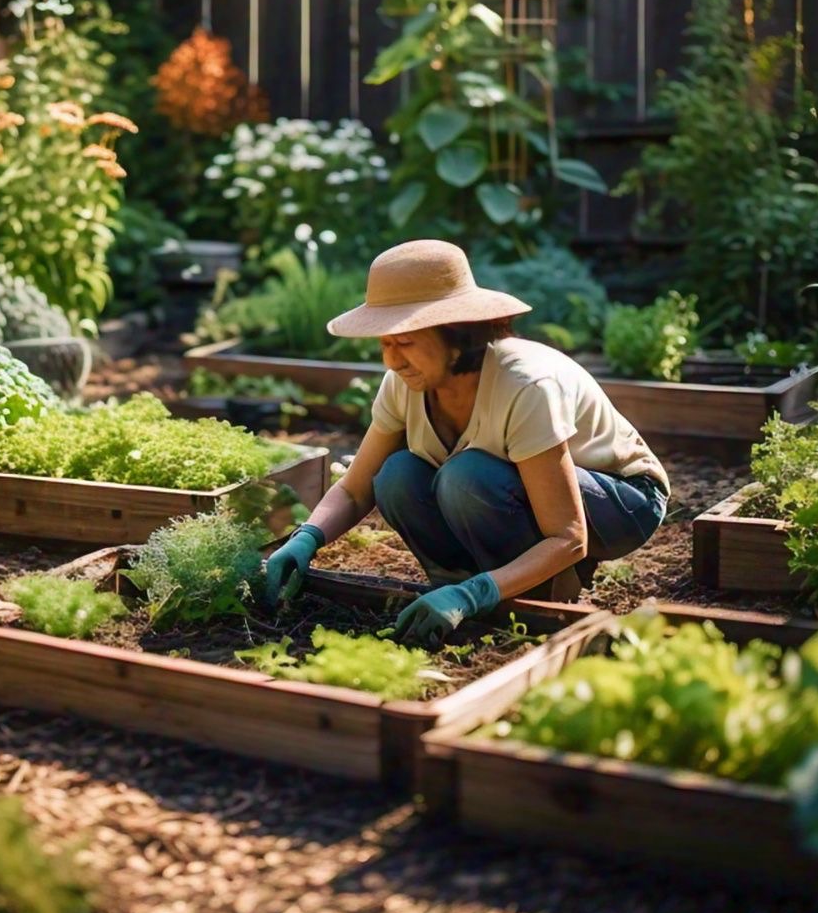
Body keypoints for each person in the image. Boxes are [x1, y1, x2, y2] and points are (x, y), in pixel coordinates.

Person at [264, 240, 670, 647]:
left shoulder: (525, 386)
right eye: (384, 343)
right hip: (519, 493)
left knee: (466, 476)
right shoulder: (404, 385)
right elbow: (356, 489)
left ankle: (541, 590)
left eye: (405, 342)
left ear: (457, 337)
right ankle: (460, 586)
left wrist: (473, 595)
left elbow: (568, 535)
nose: (391, 360)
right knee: (395, 475)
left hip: (620, 500)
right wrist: (306, 538)